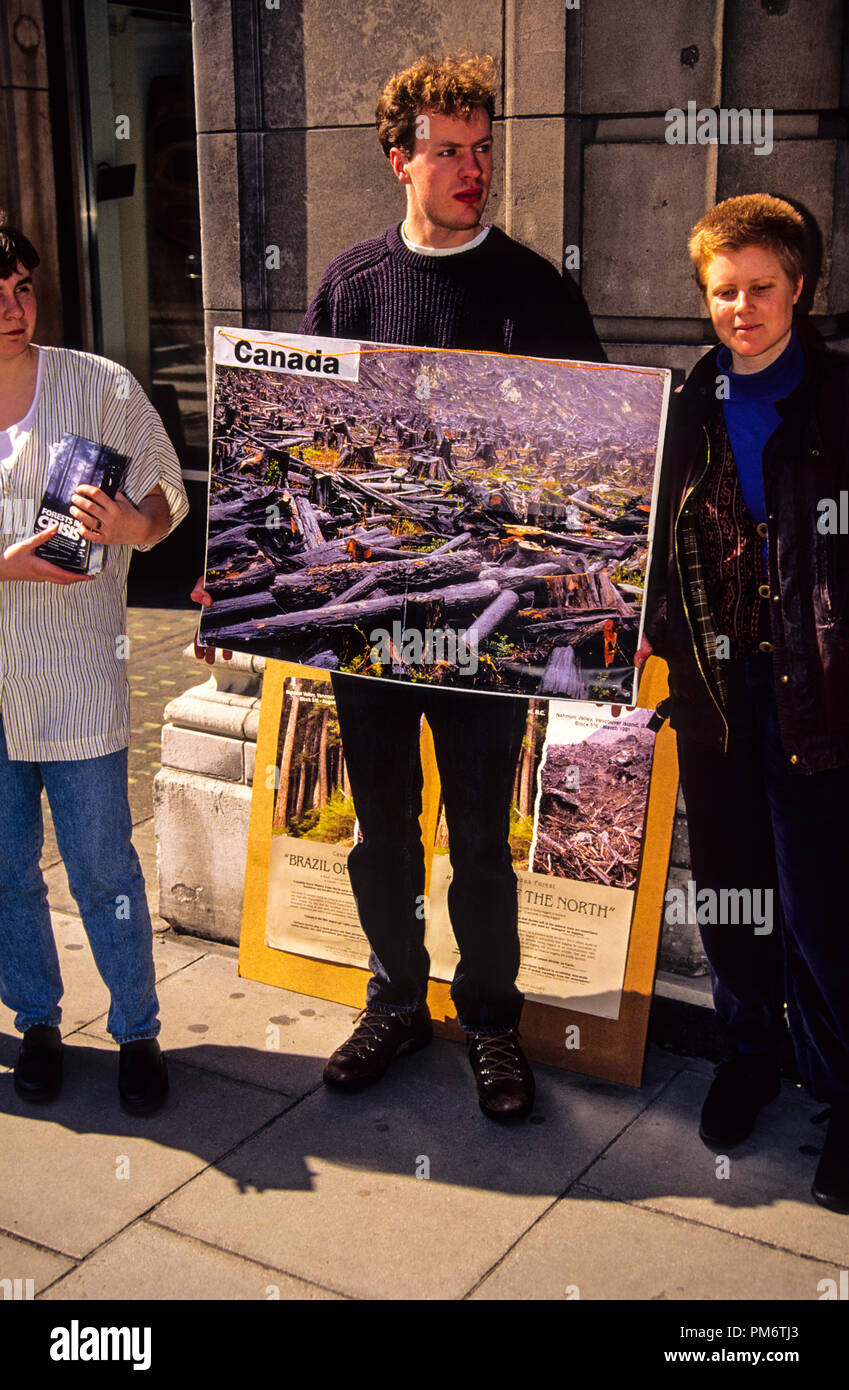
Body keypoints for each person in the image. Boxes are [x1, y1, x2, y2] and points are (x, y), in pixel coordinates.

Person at [294, 53, 605, 1121]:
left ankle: (489, 1019)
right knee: (382, 828)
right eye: (449, 151)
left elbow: (598, 442)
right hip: (380, 619)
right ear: (400, 162)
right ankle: (394, 998)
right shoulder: (348, 286)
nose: (473, 169)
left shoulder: (538, 291)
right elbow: (286, 450)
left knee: (478, 834)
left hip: (488, 626)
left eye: (482, 150)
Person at [639, 194, 849, 1210]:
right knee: (732, 888)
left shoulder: (841, 401)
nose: (743, 309)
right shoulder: (680, 409)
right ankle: (749, 1053)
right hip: (716, 692)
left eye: (762, 288)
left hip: (824, 692)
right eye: (724, 292)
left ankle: (846, 1091)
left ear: (800, 287)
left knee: (826, 902)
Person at [0, 220, 188, 1115]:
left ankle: (138, 1029)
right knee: (4, 868)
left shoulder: (97, 384)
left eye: (22, 289)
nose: (12, 310)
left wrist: (133, 529)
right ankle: (36, 1020)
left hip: (76, 673)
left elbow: (162, 491)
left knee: (103, 867)